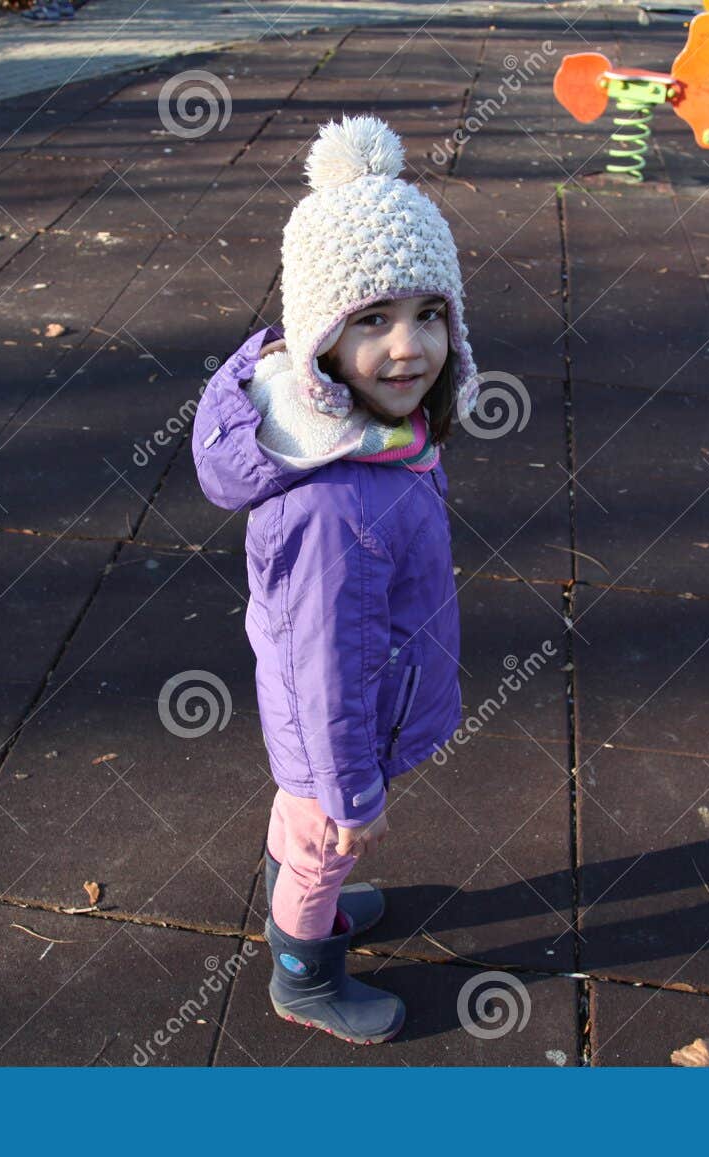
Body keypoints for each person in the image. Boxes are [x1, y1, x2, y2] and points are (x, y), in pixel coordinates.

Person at [192, 115, 479, 1045]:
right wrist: (355, 791)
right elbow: (330, 667)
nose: (410, 348)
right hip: (337, 727)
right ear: (319, 337)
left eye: (428, 313)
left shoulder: (371, 436)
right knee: (325, 835)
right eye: (372, 320)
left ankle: (302, 897)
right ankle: (304, 973)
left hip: (344, 706)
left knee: (304, 825)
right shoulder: (334, 502)